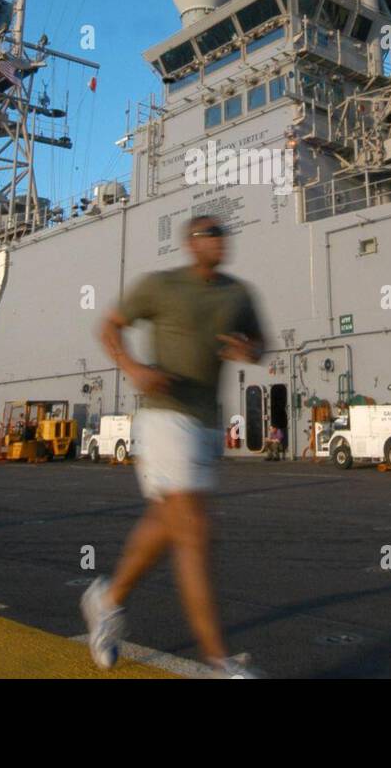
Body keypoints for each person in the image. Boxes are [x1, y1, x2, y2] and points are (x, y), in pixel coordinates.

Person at [83, 214, 266, 678]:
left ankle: (106, 601)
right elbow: (109, 327)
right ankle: (218, 662)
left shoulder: (239, 295)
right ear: (191, 243)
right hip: (164, 417)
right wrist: (134, 369)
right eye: (211, 235)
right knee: (194, 532)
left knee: (165, 525)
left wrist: (249, 350)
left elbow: (261, 345)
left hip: (205, 426)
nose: (221, 241)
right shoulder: (158, 286)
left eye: (224, 234)